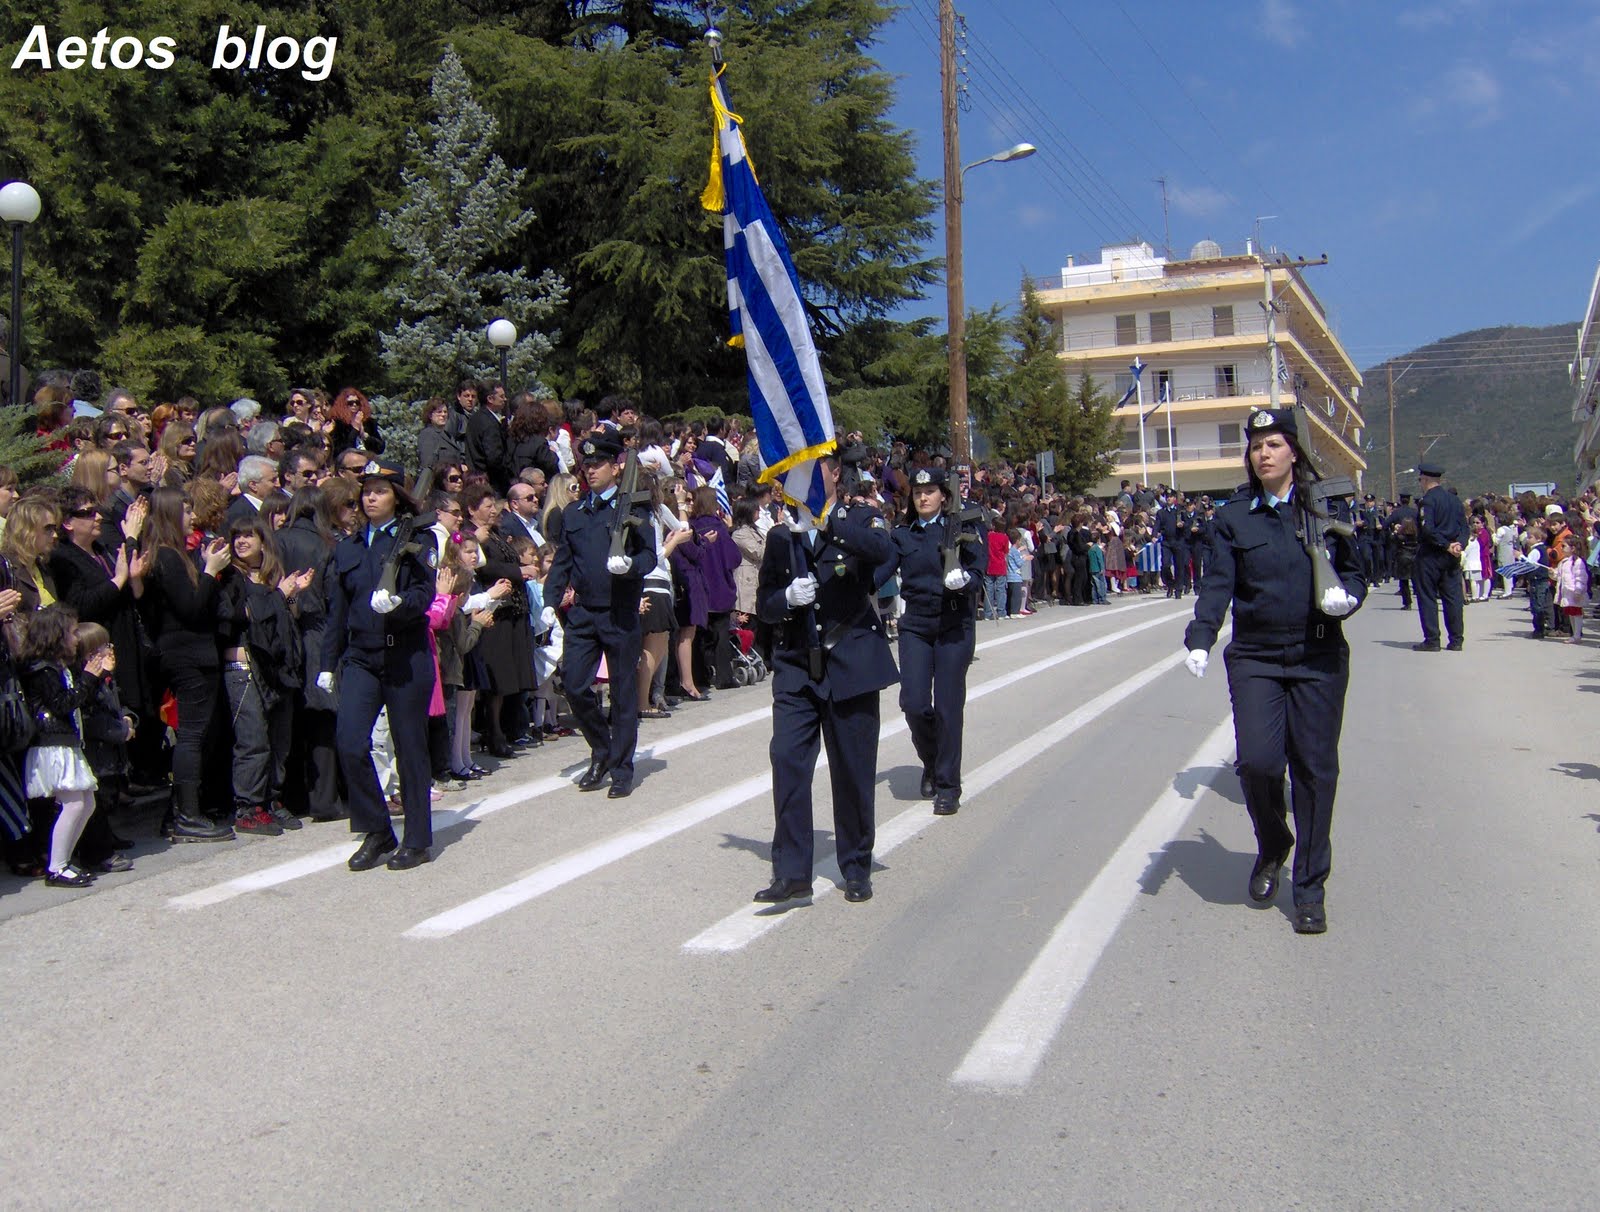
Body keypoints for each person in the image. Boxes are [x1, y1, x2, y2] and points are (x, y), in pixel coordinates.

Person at [1182, 408, 1366, 935]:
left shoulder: (1325, 508)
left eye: (1273, 444)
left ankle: (1309, 887)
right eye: (1256, 445)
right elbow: (1218, 584)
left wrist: (1345, 599)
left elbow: (1356, 573)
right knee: (1259, 764)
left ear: (1294, 452)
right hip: (1258, 655)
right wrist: (1200, 637)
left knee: (1314, 770)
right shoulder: (1235, 518)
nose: (1263, 453)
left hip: (1318, 656)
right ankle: (1273, 844)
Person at [754, 451, 898, 904]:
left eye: (813, 467)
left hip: (850, 662)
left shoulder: (862, 521)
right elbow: (764, 604)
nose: (804, 477)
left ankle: (855, 864)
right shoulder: (782, 537)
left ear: (835, 473)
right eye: (795, 470)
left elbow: (883, 554)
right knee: (788, 762)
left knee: (853, 771)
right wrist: (787, 599)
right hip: (797, 665)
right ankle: (792, 871)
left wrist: (825, 525)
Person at [319, 459, 437, 871]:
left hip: (405, 654)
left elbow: (426, 594)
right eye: (366, 490)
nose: (370, 497)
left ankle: (417, 839)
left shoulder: (419, 539)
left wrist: (400, 605)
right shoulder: (349, 546)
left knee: (409, 749)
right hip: (361, 658)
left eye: (380, 490)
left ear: (396, 496)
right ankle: (378, 831)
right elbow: (337, 609)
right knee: (350, 743)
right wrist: (327, 662)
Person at [542, 431, 657, 798]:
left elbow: (649, 557)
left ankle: (621, 768)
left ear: (614, 466)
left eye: (597, 465)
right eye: (585, 465)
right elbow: (562, 563)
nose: (589, 471)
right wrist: (549, 600)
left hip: (620, 613)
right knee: (574, 684)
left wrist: (630, 566)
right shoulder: (574, 513)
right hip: (584, 615)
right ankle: (603, 749)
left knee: (623, 694)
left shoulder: (634, 508)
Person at [881, 467, 984, 816]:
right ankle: (932, 760)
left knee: (948, 708)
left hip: (954, 624)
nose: (923, 497)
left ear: (944, 494)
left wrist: (965, 581)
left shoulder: (964, 526)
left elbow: (980, 573)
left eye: (930, 490)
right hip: (917, 626)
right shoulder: (903, 535)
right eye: (917, 491)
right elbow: (881, 571)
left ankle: (947, 785)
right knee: (913, 702)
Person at [18, 605, 103, 888]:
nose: (77, 638)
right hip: (51, 745)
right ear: (56, 635)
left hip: (65, 742)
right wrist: (90, 677)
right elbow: (61, 704)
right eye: (72, 632)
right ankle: (57, 867)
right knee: (74, 803)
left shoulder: (57, 667)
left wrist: (88, 678)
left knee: (86, 803)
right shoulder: (40, 669)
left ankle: (63, 860)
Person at [1412, 461, 1466, 651]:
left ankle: (1432, 640)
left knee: (1427, 597)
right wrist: (1458, 544)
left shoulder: (1427, 501)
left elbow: (1428, 530)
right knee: (1453, 598)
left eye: (1420, 479)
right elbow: (1464, 528)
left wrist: (1445, 545)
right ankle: (1456, 640)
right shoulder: (1454, 500)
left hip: (1430, 555)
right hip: (1452, 556)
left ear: (1425, 479)